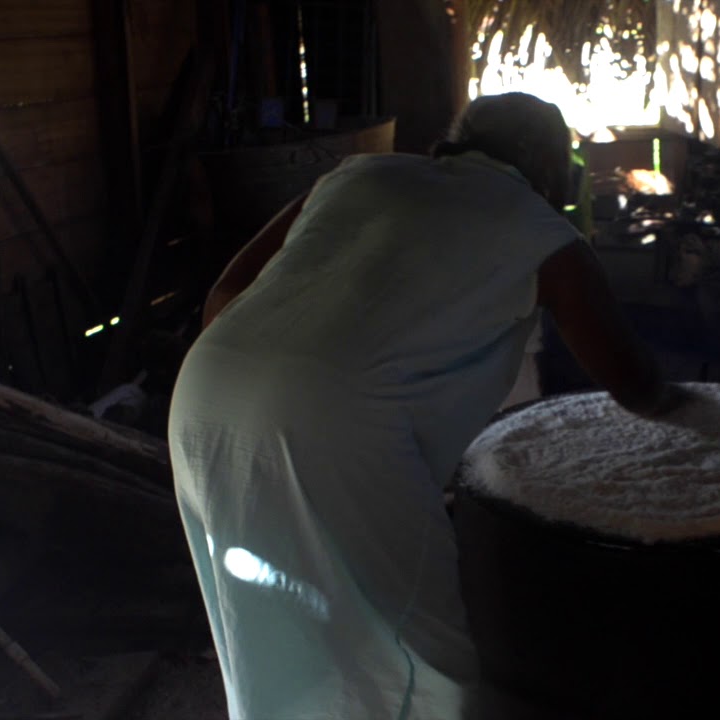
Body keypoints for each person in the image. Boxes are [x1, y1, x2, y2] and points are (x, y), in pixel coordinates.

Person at [168, 92, 681, 720]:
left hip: (207, 387)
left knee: (272, 618)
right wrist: (703, 412)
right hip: (335, 419)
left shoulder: (356, 175)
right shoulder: (542, 231)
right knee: (427, 644)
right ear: (537, 161)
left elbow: (223, 297)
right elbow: (632, 383)